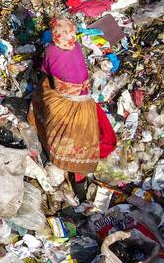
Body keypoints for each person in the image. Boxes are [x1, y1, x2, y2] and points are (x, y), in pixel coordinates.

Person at [31, 16, 116, 196]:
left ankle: (47, 146)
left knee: (42, 95)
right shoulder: (77, 47)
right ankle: (80, 184)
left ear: (55, 36)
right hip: (85, 102)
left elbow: (46, 71)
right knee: (81, 146)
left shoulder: (52, 52)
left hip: (69, 105)